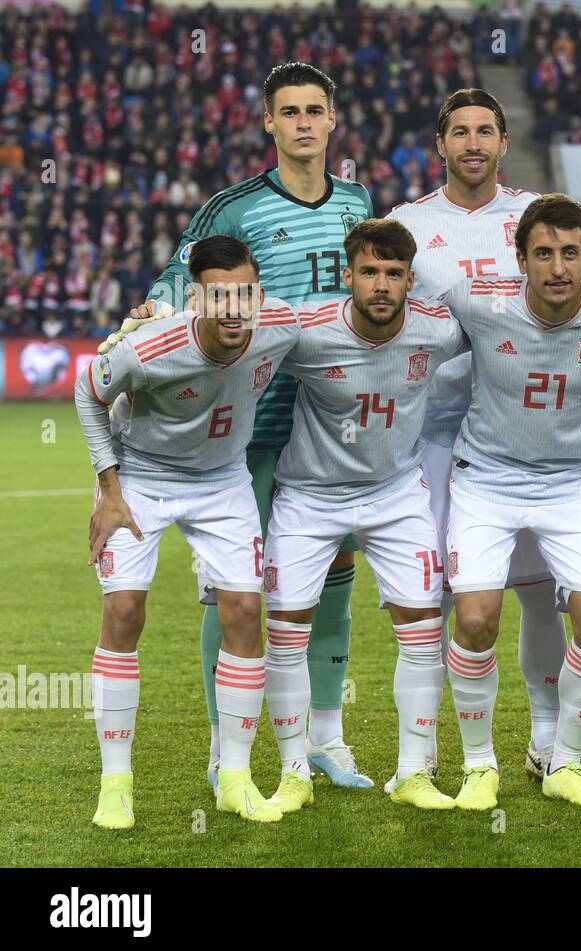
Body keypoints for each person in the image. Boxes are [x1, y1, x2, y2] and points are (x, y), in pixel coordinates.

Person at [124, 62, 376, 792]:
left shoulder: (356, 200)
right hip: (255, 423)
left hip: (335, 425)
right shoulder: (232, 208)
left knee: (334, 578)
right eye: (288, 111)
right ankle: (220, 750)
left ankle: (326, 738)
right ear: (268, 122)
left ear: (333, 120)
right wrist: (155, 310)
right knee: (235, 589)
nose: (303, 122)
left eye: (315, 110)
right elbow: (179, 277)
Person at [75, 235, 301, 828]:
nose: (234, 308)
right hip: (142, 478)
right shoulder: (148, 347)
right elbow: (86, 391)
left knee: (246, 616)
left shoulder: (280, 326)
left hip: (223, 479)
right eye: (219, 295)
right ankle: (115, 785)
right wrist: (110, 489)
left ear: (259, 293)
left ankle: (234, 777)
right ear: (195, 298)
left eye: (244, 294)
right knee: (124, 611)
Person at [386, 88, 568, 785]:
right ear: (439, 143)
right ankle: (423, 748)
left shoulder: (535, 219)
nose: (471, 143)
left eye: (484, 131)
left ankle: (547, 735)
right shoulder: (405, 224)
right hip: (429, 436)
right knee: (428, 596)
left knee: (536, 588)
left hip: (521, 433)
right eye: (458, 132)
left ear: (502, 142)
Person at [438, 194, 581, 810]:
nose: (559, 268)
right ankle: (479, 767)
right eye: (544, 254)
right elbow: (404, 326)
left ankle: (565, 763)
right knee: (474, 619)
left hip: (569, 485)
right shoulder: (477, 301)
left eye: (571, 254)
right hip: (483, 479)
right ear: (520, 259)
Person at [260, 218, 467, 813]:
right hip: (308, 496)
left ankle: (413, 773)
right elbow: (229, 345)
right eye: (370, 272)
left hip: (397, 494)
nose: (381, 285)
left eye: (394, 274)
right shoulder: (306, 332)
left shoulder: (438, 333)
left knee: (425, 629)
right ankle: (295, 767)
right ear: (347, 276)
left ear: (410, 281)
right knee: (285, 633)